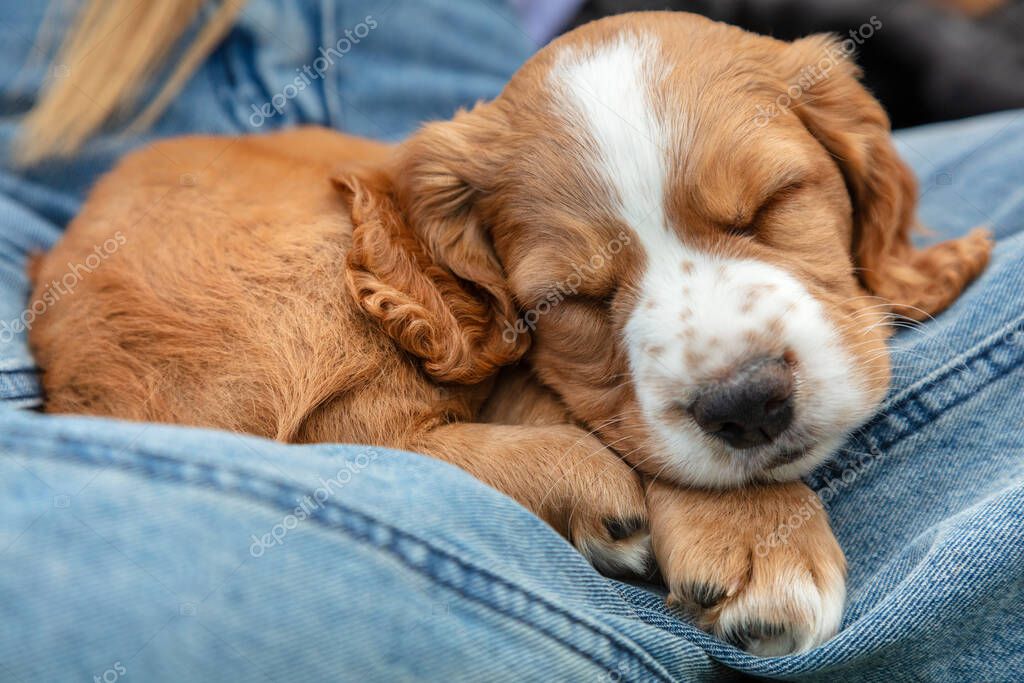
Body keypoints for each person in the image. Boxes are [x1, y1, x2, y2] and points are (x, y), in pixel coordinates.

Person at [1, 1, 1022, 680]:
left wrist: (882, 277)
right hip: (156, 294)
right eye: (579, 293)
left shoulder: (771, 101)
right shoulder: (424, 225)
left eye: (763, 210)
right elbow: (480, 341)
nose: (729, 364)